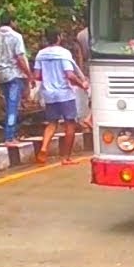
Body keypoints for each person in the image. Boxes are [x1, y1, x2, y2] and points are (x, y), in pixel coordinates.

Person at [33, 26, 90, 164]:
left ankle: (44, 147)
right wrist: (81, 84)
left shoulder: (41, 54)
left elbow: (36, 75)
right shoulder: (63, 54)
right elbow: (69, 75)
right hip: (65, 94)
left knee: (52, 123)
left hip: (49, 94)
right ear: (58, 37)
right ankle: (66, 157)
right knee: (69, 124)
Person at [0, 11, 36, 145]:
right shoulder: (16, 37)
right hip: (14, 75)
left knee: (9, 104)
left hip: (0, 75)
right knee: (13, 106)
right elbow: (20, 58)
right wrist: (29, 74)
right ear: (12, 22)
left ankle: (11, 133)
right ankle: (9, 137)